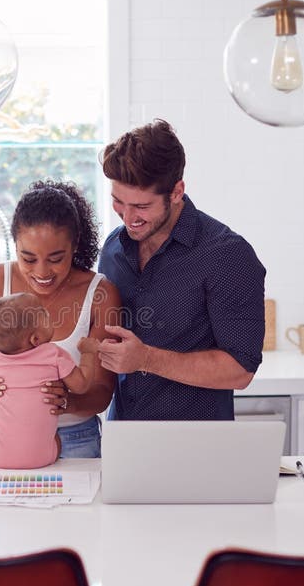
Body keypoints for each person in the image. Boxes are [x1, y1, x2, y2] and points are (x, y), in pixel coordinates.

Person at [97, 119, 266, 421]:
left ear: (176, 192)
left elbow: (240, 370)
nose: (128, 216)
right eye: (118, 201)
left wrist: (145, 358)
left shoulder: (227, 255)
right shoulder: (113, 248)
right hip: (122, 436)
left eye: (141, 206)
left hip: (196, 446)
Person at [0, 180, 122, 458]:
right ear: (15, 244)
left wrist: (68, 401)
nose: (41, 271)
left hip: (76, 441)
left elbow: (102, 393)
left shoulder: (101, 293)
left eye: (55, 258)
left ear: (74, 246)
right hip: (6, 441)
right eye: (28, 258)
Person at [0, 293, 99, 468]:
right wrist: (88, 353)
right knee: (55, 438)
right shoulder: (54, 354)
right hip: (44, 458)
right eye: (43, 314)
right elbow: (81, 384)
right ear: (35, 339)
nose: (49, 314)